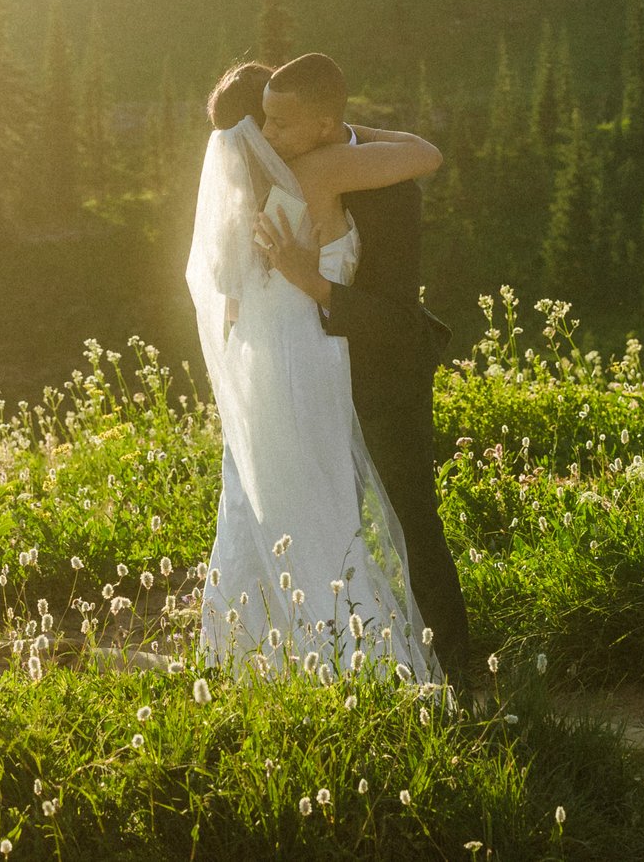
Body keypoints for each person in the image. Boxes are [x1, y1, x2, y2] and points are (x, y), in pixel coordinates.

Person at [186, 56, 446, 685]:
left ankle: (244, 660)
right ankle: (358, 666)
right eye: (269, 121)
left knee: (256, 507)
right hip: (310, 356)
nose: (274, 132)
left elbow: (227, 292)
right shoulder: (318, 168)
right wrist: (340, 128)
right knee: (324, 509)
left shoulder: (242, 192)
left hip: (258, 368)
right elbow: (425, 153)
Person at [253, 53, 474, 682]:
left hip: (388, 371)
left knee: (411, 515)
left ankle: (455, 669)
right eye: (264, 120)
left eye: (281, 124)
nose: (268, 136)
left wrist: (313, 285)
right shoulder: (289, 171)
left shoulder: (390, 194)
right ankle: (347, 655)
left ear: (323, 125)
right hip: (315, 375)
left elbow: (396, 319)